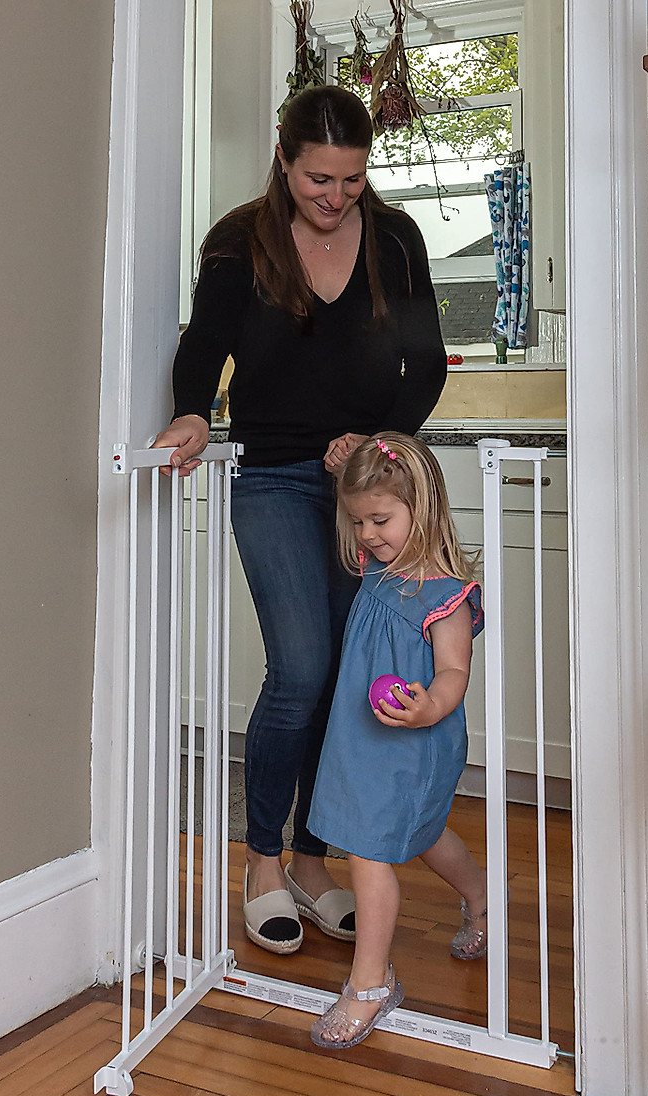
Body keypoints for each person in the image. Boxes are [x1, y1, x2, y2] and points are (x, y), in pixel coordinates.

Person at [153, 86, 447, 955]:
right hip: (275, 477)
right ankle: (261, 858)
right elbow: (204, 346)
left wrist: (382, 439)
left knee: (351, 673)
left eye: (353, 180)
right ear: (284, 162)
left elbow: (424, 361)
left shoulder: (394, 239)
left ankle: (315, 862)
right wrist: (193, 411)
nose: (335, 195)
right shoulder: (240, 243)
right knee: (303, 666)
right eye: (320, 178)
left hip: (367, 484)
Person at [307, 433, 488, 1050]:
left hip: (413, 736)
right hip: (363, 734)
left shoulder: (447, 596)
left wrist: (427, 707)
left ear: (424, 509)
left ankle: (370, 982)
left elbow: (454, 675)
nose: (367, 535)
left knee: (368, 849)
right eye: (357, 521)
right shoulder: (377, 571)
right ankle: (482, 896)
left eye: (380, 520)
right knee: (426, 832)